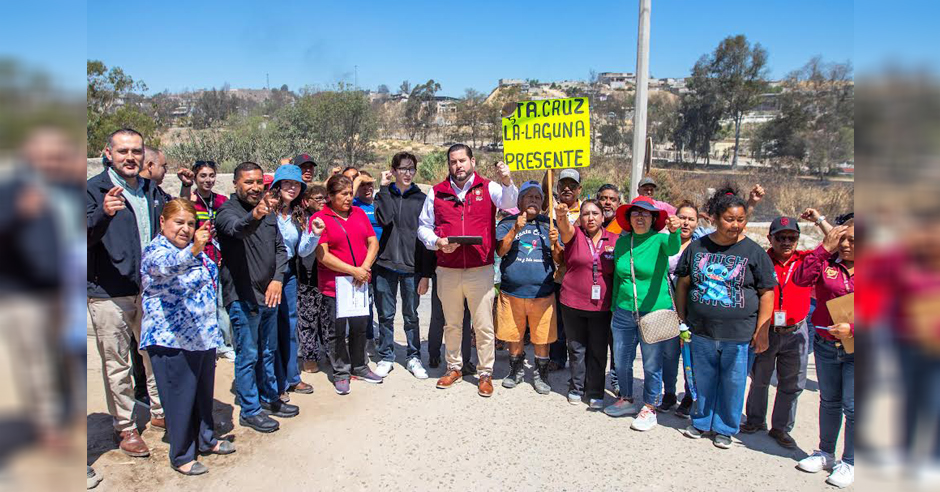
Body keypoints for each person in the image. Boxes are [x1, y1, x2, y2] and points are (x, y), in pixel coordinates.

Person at [674, 185, 776, 450]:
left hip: (739, 334)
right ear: (716, 219)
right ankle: (701, 420)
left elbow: (767, 293)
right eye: (730, 219)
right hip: (702, 330)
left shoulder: (755, 253)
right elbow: (683, 284)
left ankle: (725, 427)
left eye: (740, 220)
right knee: (703, 377)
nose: (736, 225)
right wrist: (682, 317)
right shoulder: (697, 248)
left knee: (733, 382)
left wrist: (762, 330)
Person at [139, 199, 235, 475]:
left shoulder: (197, 250)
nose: (185, 229)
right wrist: (195, 248)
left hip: (202, 336)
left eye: (190, 224)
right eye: (179, 223)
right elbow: (170, 267)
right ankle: (181, 454)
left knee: (202, 394)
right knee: (179, 397)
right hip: (171, 339)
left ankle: (206, 439)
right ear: (163, 222)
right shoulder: (157, 252)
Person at [87, 128, 166, 457]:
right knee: (118, 363)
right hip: (108, 292)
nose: (130, 157)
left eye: (136, 151)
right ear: (109, 153)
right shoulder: (93, 190)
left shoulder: (151, 189)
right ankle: (126, 427)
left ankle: (161, 413)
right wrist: (102, 214)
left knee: (154, 354)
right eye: (123, 152)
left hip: (149, 289)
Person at [417, 143, 517, 397]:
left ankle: (485, 373)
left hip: (480, 269)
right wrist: (436, 242)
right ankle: (454, 367)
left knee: (483, 325)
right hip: (448, 269)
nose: (458, 166)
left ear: (472, 162)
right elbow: (423, 227)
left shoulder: (488, 187)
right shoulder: (437, 192)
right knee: (452, 324)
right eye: (453, 162)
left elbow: (510, 201)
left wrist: (506, 180)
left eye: (462, 161)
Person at [215, 161, 298, 433]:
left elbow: (280, 250)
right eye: (248, 182)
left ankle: (269, 397)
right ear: (236, 184)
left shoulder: (269, 211)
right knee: (248, 354)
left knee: (267, 350)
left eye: (258, 182)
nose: (254, 187)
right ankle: (250, 410)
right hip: (242, 297)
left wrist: (277, 279)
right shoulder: (226, 211)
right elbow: (238, 229)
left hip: (269, 295)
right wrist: (256, 214)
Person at [741, 213, 830, 449]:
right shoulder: (760, 260)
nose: (786, 242)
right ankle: (754, 420)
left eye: (791, 237)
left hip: (796, 331)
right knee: (759, 378)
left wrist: (820, 220)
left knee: (792, 383)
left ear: (798, 239)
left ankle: (781, 428)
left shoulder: (807, 260)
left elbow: (835, 241)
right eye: (780, 237)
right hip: (767, 329)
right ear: (770, 239)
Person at [604, 196, 682, 431]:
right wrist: (614, 305)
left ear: (653, 218)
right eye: (635, 213)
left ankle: (650, 407)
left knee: (651, 362)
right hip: (624, 310)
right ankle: (627, 399)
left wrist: (675, 231)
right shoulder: (621, 243)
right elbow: (619, 277)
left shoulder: (660, 240)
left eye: (645, 214)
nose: (640, 217)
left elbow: (674, 247)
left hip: (654, 311)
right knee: (622, 359)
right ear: (628, 219)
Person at [794, 219, 856, 488]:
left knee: (853, 408)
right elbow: (800, 279)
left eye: (853, 239)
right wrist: (822, 249)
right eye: (842, 238)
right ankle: (825, 453)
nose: (845, 244)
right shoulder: (828, 263)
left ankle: (850, 462)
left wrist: (853, 327)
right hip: (826, 344)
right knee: (829, 401)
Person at [312, 174, 383, 395]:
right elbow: (322, 255)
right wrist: (354, 270)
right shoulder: (320, 218)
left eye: (350, 193)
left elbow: (373, 242)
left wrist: (364, 267)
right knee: (336, 330)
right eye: (343, 194)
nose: (348, 198)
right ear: (330, 196)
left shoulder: (359, 213)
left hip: (360, 283)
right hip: (334, 286)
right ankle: (341, 372)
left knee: (360, 327)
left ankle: (360, 366)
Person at [372, 152, 433, 379]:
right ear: (393, 170)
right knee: (386, 315)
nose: (407, 173)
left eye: (411, 169)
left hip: (412, 267)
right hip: (385, 265)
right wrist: (384, 188)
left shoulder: (422, 199)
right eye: (402, 169)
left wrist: (426, 274)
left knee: (411, 316)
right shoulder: (383, 195)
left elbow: (426, 239)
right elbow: (385, 219)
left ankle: (413, 357)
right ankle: (386, 356)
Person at [495, 181, 559, 394]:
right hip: (512, 292)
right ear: (519, 200)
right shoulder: (507, 222)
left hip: (542, 293)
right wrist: (515, 229)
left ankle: (541, 375)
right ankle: (515, 371)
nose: (533, 200)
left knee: (542, 337)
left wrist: (556, 243)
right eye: (529, 196)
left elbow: (560, 258)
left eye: (538, 197)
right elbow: (501, 251)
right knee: (514, 335)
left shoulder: (549, 223)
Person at [554, 199, 617, 408]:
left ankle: (595, 391)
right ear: (580, 218)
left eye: (595, 213)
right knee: (576, 348)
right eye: (586, 214)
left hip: (602, 305)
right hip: (572, 302)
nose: (590, 218)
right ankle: (576, 387)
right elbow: (563, 227)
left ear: (602, 217)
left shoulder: (614, 240)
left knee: (598, 349)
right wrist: (561, 215)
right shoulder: (574, 235)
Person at [178, 160, 236, 361]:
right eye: (203, 176)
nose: (208, 180)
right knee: (200, 301)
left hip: (219, 259)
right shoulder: (190, 200)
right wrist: (185, 186)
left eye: (211, 175)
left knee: (221, 302)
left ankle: (223, 343)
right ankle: (202, 341)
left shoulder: (221, 200)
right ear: (194, 177)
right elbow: (181, 209)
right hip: (197, 258)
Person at [270, 164, 319, 400]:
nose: (292, 188)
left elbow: (301, 249)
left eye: (296, 184)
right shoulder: (268, 211)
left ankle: (291, 377)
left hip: (288, 272)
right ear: (277, 186)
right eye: (287, 183)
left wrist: (315, 234)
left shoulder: (298, 216)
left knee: (289, 326)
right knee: (270, 329)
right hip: (267, 274)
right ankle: (275, 382)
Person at [666, 201, 701, 418]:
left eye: (691, 219)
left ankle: (690, 396)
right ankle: (669, 393)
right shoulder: (665, 240)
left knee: (691, 357)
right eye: (682, 217)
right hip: (667, 308)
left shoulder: (702, 246)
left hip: (691, 310)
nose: (686, 222)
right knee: (668, 356)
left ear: (697, 223)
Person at [546, 168, 583, 372]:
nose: (567, 188)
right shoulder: (550, 211)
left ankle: (579, 362)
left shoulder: (587, 212)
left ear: (579, 189)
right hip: (559, 276)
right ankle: (557, 357)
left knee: (577, 324)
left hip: (581, 276)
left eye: (572, 185)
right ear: (557, 188)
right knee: (558, 320)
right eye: (562, 185)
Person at [296, 184, 329, 373]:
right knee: (308, 318)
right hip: (308, 275)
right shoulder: (301, 219)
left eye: (325, 198)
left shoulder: (330, 217)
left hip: (327, 273)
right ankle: (310, 356)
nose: (323, 202)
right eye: (318, 198)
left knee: (327, 318)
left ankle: (330, 353)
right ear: (307, 201)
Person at [596, 183, 623, 394]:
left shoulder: (624, 228)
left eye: (612, 199)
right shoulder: (589, 223)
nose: (607, 202)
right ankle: (591, 376)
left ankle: (616, 376)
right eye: (603, 198)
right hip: (593, 291)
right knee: (595, 339)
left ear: (618, 203)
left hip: (616, 292)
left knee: (616, 340)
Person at [353, 171, 381, 344]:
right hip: (363, 262)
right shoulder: (354, 205)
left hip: (382, 260)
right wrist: (356, 182)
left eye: (369, 184)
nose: (367, 188)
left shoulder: (378, 205)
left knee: (381, 301)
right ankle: (367, 337)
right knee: (365, 301)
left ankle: (379, 338)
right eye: (363, 185)